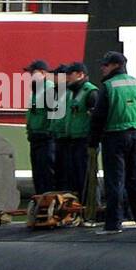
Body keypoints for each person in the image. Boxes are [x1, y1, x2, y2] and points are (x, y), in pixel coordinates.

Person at [90, 51, 136, 234]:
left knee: (115, 180)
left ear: (115, 65)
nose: (102, 68)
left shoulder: (109, 86)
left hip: (115, 136)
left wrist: (92, 142)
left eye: (105, 65)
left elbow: (98, 117)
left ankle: (113, 224)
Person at [54, 61, 98, 199]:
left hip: (84, 141)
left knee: (86, 178)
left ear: (80, 75)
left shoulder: (91, 93)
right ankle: (77, 209)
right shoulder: (71, 93)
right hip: (72, 141)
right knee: (74, 178)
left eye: (69, 74)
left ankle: (91, 209)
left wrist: (93, 141)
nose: (67, 77)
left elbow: (95, 119)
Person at [23, 60, 57, 195]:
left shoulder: (49, 89)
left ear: (43, 73)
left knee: (46, 173)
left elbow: (54, 114)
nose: (31, 75)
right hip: (36, 137)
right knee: (38, 174)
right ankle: (41, 201)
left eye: (33, 72)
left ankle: (48, 202)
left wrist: (49, 132)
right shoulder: (36, 90)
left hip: (45, 138)